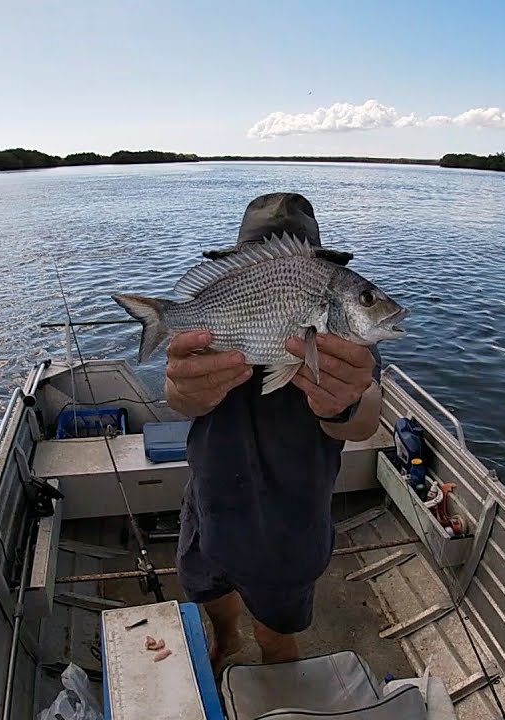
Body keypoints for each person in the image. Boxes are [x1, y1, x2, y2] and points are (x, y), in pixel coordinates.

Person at [165, 192, 385, 669]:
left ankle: (274, 676)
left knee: (277, 634)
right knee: (205, 587)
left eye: (366, 298)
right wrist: (181, 391)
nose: (376, 305)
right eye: (367, 299)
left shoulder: (350, 345)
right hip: (208, 499)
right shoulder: (210, 326)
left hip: (291, 519)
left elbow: (368, 415)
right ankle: (227, 639)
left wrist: (343, 405)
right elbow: (178, 398)